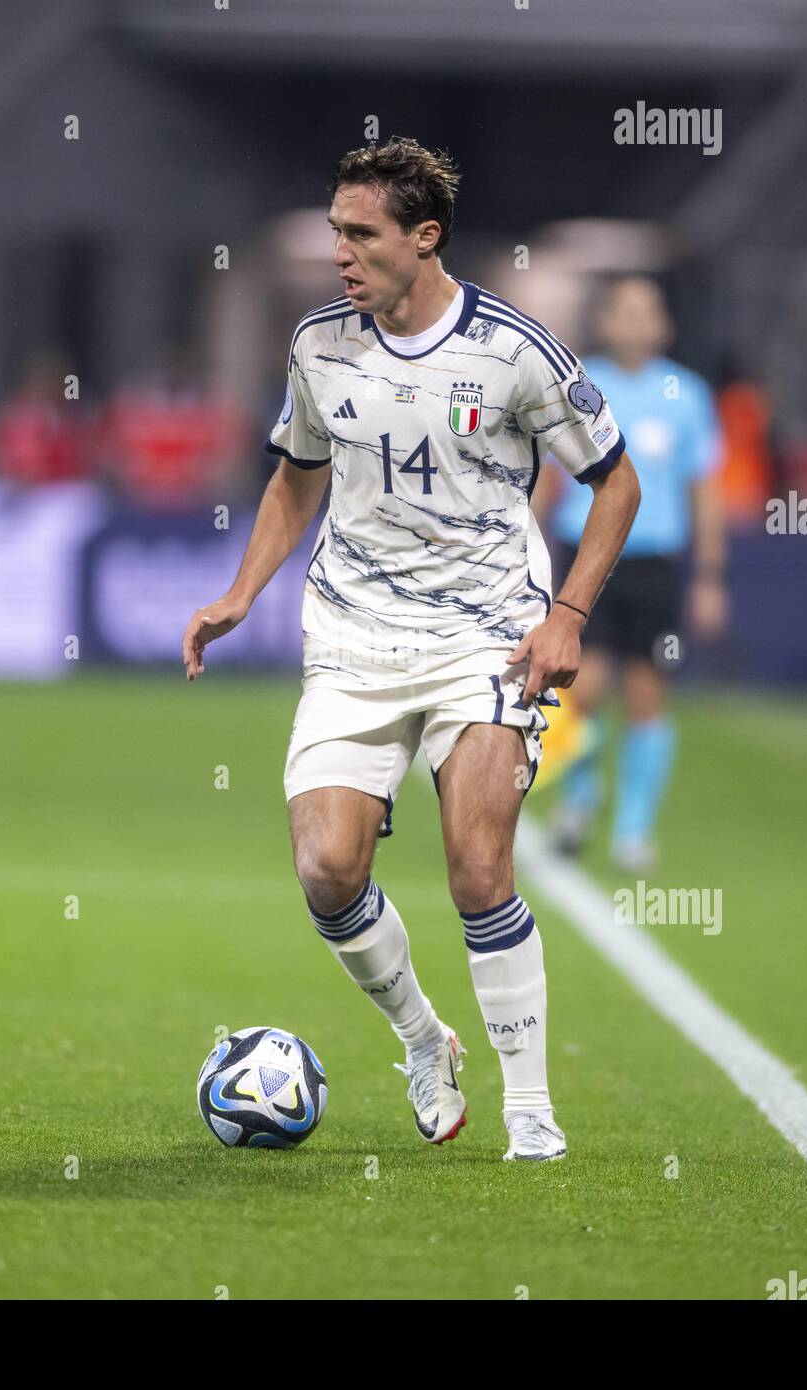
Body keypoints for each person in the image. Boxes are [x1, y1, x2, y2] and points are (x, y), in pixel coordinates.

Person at [182, 137, 639, 1162]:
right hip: (350, 638)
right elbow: (297, 472)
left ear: (423, 237)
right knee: (325, 868)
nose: (339, 251)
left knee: (479, 867)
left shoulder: (514, 352)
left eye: (359, 233)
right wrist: (241, 592)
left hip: (484, 632)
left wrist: (565, 612)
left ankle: (529, 1109)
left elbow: (616, 480)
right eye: (335, 231)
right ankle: (422, 1039)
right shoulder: (318, 346)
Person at [537, 276, 726, 869]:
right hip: (588, 553)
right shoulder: (578, 384)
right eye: (625, 311)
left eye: (648, 311)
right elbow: (545, 476)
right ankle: (579, 800)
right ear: (606, 321)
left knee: (647, 695)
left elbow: (706, 488)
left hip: (656, 564)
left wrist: (710, 576)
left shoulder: (689, 395)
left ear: (664, 324)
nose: (636, 322)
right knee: (580, 688)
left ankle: (634, 829)